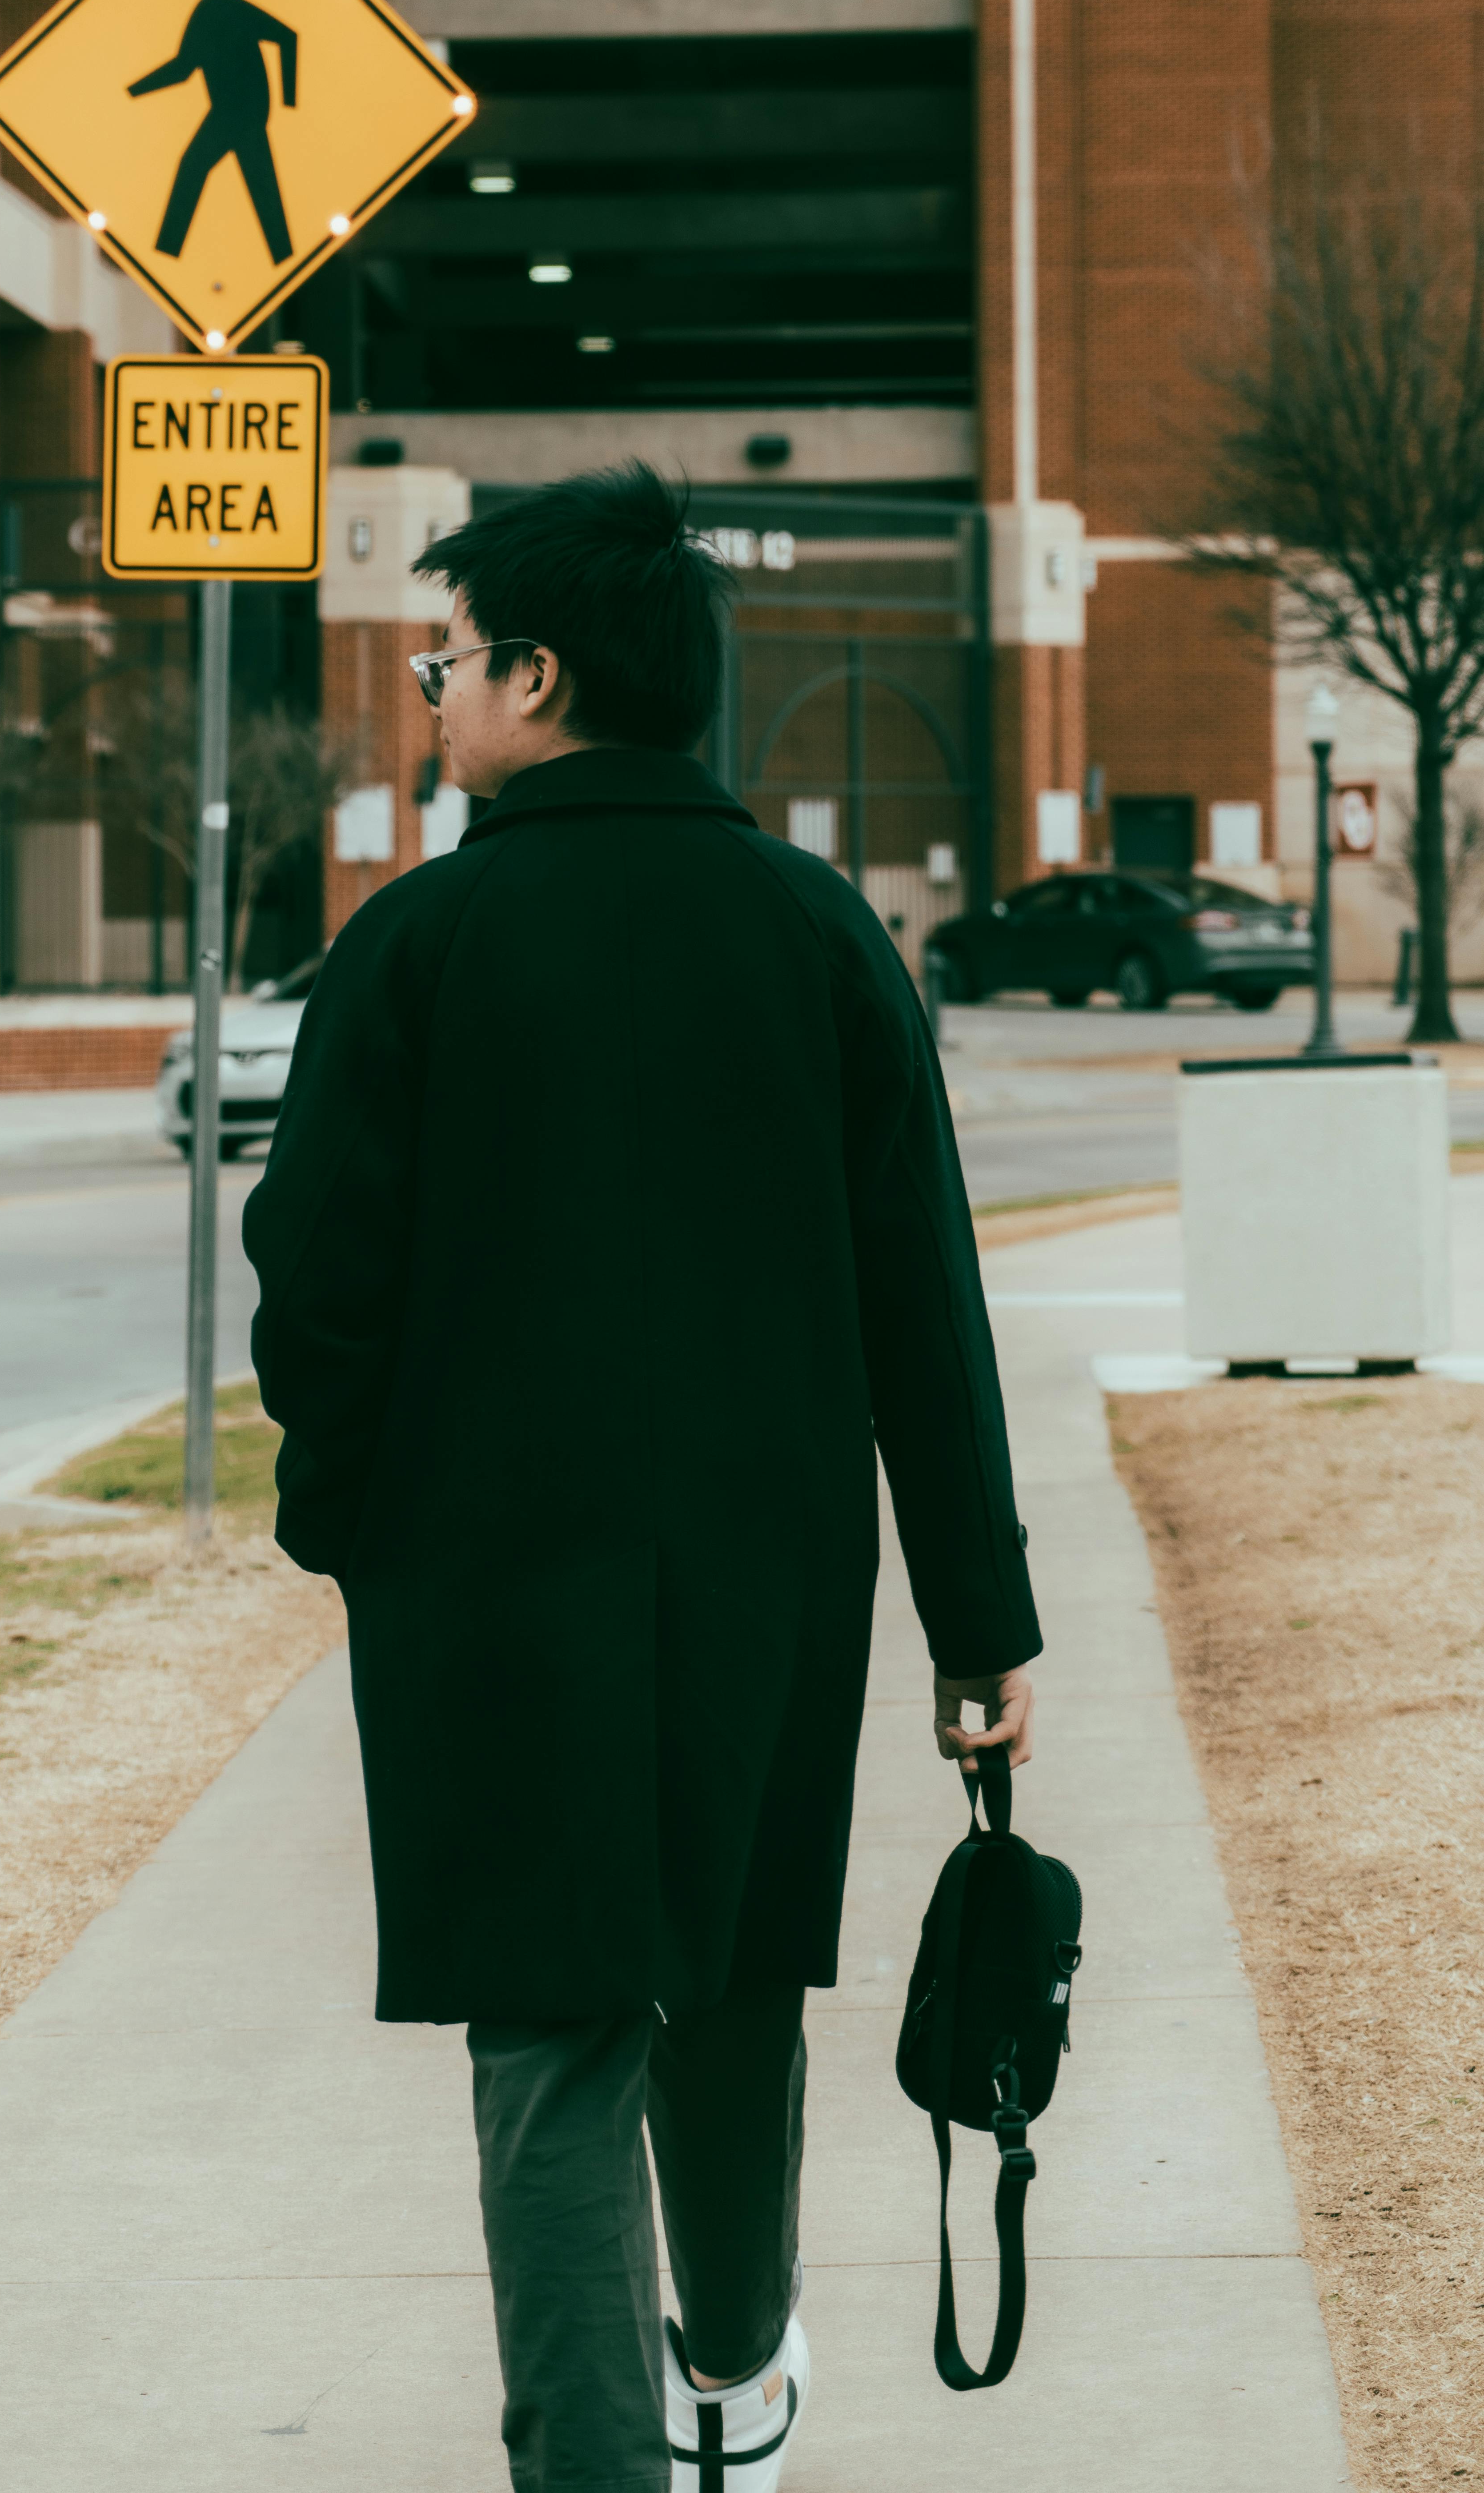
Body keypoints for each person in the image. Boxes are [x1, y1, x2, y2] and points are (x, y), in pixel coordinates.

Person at [244, 462, 1040, 2493]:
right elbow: (917, 1312)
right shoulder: (819, 938)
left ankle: (590, 2464)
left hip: (481, 1590)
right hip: (761, 1578)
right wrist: (977, 1622)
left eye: (444, 662)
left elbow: (311, 1289)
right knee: (727, 1978)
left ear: (535, 673)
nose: (430, 696)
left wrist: (346, 1525)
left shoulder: (409, 949)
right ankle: (738, 2377)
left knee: (546, 2028)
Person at [127, 0, 299, 264]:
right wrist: (132, 91)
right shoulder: (206, 10)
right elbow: (183, 69)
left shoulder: (220, 5)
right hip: (234, 111)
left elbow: (288, 37)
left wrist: (291, 102)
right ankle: (282, 256)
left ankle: (167, 251)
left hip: (239, 111)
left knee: (193, 168)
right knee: (261, 185)